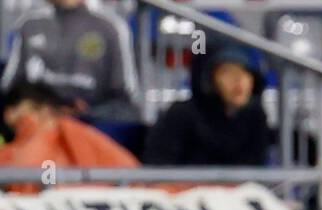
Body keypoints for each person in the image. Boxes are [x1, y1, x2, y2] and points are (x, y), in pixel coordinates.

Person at [0, 0, 138, 122]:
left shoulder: (110, 28)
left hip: (89, 131)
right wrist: (29, 107)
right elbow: (9, 88)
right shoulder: (30, 26)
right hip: (35, 131)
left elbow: (125, 103)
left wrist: (88, 114)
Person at [142, 42, 271, 167]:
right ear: (208, 80)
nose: (239, 79)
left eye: (245, 71)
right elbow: (159, 169)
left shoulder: (255, 117)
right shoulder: (181, 115)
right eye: (226, 71)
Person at [0, 79, 137, 190]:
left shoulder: (72, 133)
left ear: (46, 110)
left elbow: (40, 181)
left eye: (33, 109)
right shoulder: (13, 150)